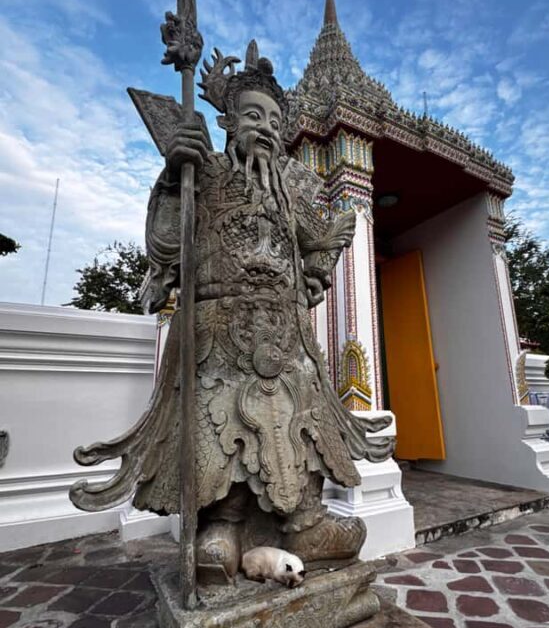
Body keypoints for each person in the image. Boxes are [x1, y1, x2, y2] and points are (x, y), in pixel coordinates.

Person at [70, 41, 394, 582]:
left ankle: (305, 524)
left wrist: (313, 275)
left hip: (285, 340)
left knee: (299, 426)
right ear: (226, 121)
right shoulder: (208, 174)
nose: (264, 127)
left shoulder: (290, 194)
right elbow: (167, 245)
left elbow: (336, 229)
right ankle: (221, 528)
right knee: (222, 427)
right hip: (219, 331)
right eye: (252, 115)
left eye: (274, 119)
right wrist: (176, 173)